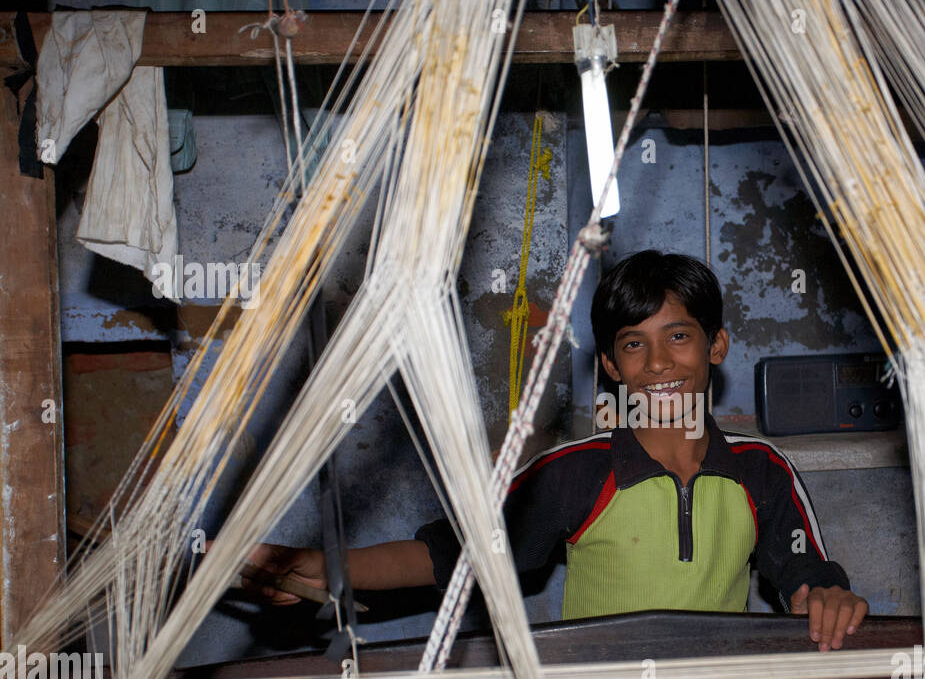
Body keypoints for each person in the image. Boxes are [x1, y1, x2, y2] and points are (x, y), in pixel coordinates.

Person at [247, 250, 870, 650]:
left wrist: (826, 599)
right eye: (633, 345)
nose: (658, 363)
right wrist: (331, 567)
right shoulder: (576, 472)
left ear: (716, 345)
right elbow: (456, 554)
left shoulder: (760, 471)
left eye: (678, 336)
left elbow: (806, 576)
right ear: (610, 364)